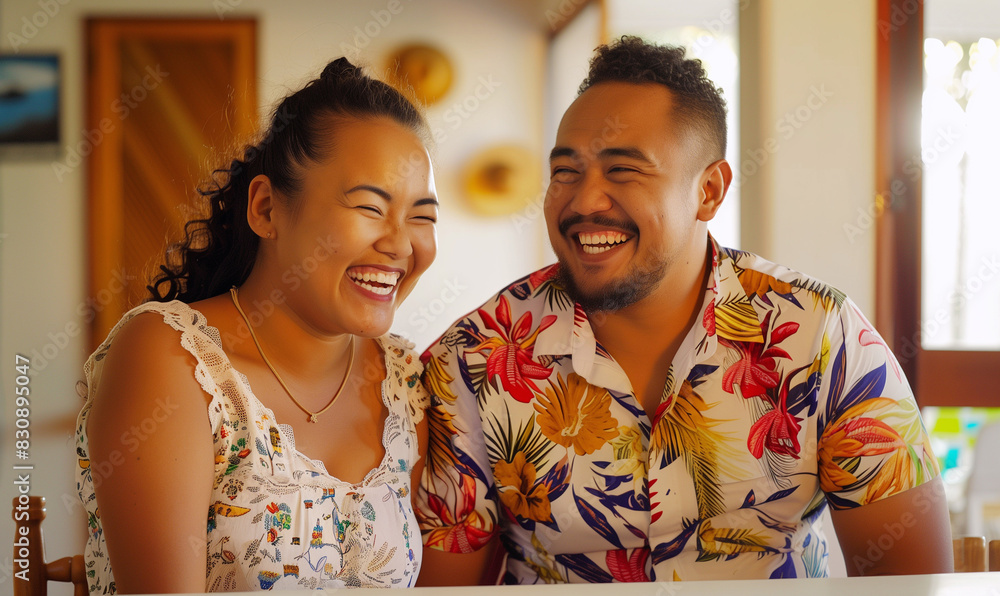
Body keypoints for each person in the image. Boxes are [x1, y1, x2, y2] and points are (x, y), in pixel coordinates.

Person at [415, 36, 953, 584]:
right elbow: (445, 587)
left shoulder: (818, 334)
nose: (584, 201)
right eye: (566, 172)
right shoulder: (474, 356)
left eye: (623, 170)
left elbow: (909, 579)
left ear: (709, 191)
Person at [75, 58, 438, 592]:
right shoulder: (172, 358)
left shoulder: (402, 377)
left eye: (423, 216)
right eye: (369, 207)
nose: (401, 244)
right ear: (267, 208)